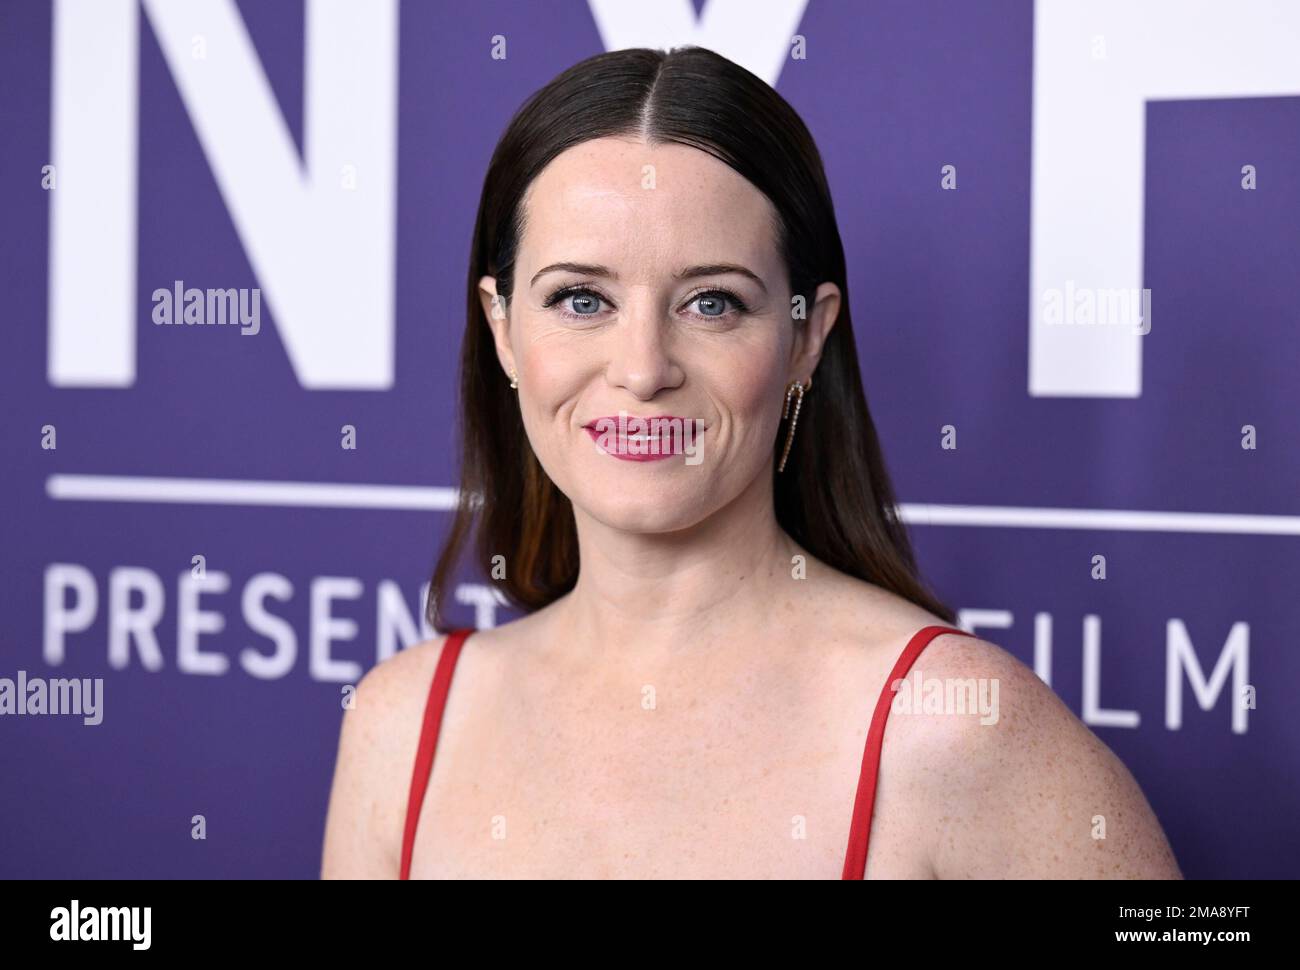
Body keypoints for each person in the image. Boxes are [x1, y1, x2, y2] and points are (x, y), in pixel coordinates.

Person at [322, 46, 1182, 880]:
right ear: (503, 327)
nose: (643, 368)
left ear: (807, 335)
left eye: (712, 302)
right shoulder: (399, 727)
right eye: (580, 299)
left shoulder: (951, 726)